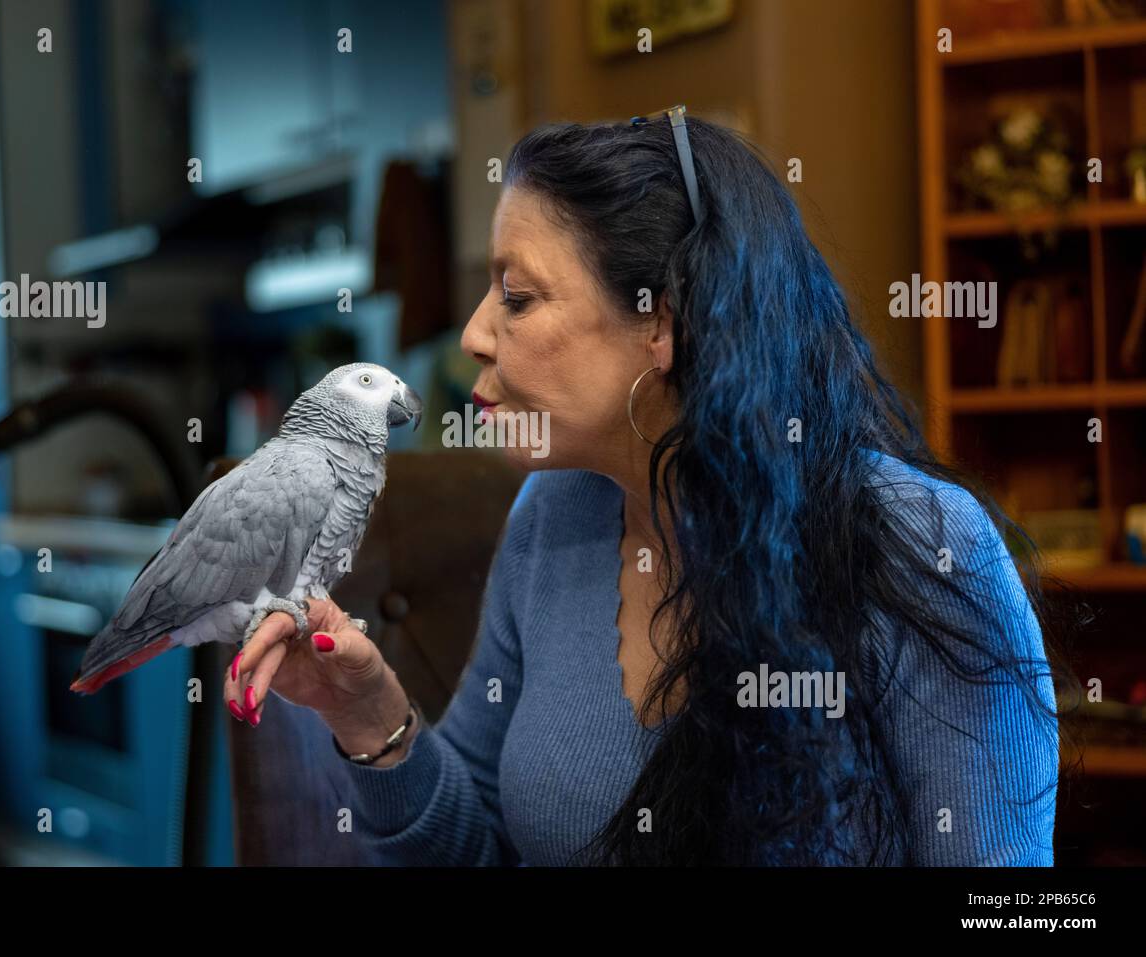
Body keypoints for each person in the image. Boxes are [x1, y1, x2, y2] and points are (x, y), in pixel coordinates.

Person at [223, 111, 1072, 866]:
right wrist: (372, 715)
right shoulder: (550, 519)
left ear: (660, 321)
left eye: (517, 297)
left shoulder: (920, 543)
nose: (475, 332)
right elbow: (481, 842)